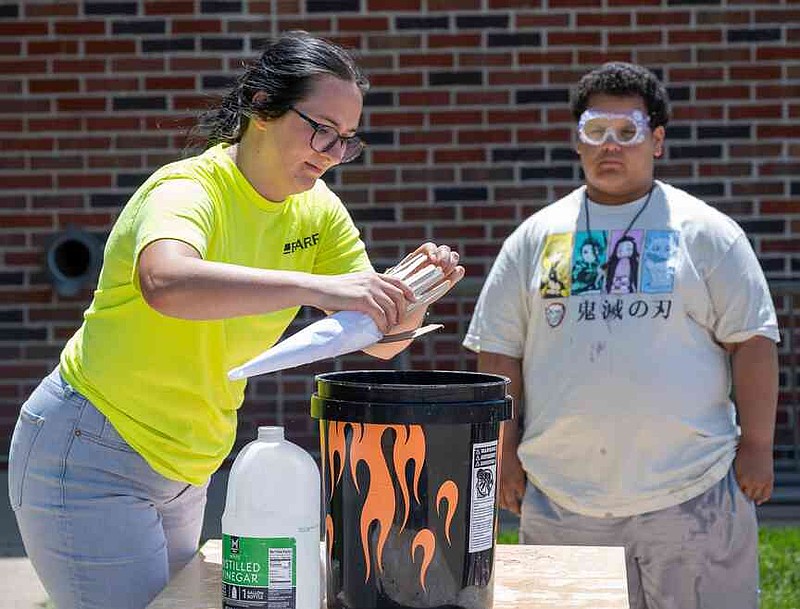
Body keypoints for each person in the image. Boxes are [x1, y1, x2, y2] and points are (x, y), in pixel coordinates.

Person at [9, 31, 464, 609]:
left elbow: (380, 345)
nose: (330, 152)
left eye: (346, 140)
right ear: (260, 104)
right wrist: (315, 285)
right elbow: (165, 283)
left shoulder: (317, 207)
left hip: (189, 464)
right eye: (319, 127)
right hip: (93, 447)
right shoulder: (188, 188)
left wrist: (413, 289)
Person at [464, 62, 778, 609]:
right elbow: (499, 351)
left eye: (627, 131)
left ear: (656, 139)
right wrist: (504, 455)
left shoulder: (706, 233)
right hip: (563, 500)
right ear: (576, 139)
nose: (611, 145)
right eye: (595, 130)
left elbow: (751, 341)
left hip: (690, 494)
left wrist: (757, 446)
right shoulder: (535, 238)